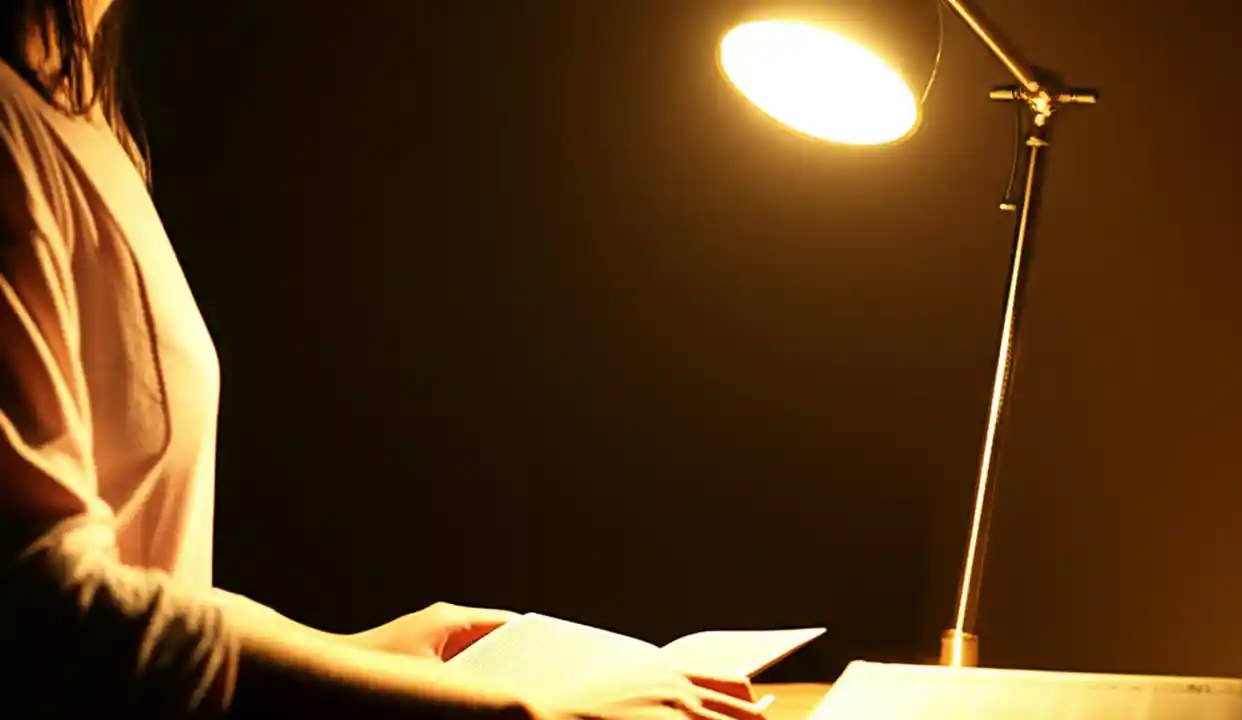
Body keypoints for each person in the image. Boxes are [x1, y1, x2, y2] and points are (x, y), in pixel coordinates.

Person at [0, 2, 766, 717]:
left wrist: (350, 655)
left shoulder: (80, 119)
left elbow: (135, 581)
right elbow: (43, 608)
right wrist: (507, 712)